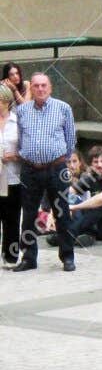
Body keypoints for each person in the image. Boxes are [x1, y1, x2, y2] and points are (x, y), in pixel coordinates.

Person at [11, 72, 76, 273]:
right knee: (29, 214)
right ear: (31, 88)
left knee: (62, 212)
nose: (40, 89)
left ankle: (67, 256)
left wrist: (60, 162)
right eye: (36, 86)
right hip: (30, 169)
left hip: (56, 167)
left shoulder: (63, 108)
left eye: (44, 85)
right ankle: (29, 257)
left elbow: (70, 139)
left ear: (50, 88)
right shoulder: (22, 111)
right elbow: (20, 139)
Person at [59, 145, 102, 246]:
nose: (99, 165)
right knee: (73, 200)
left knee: (98, 204)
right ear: (91, 165)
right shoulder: (90, 178)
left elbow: (101, 199)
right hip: (96, 224)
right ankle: (88, 236)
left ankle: (69, 234)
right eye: (95, 162)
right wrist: (55, 210)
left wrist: (74, 207)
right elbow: (68, 193)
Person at [0, 90, 19, 267]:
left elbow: (27, 147)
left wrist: (15, 155)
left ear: (7, 101)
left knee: (12, 218)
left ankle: (10, 256)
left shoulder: (17, 122)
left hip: (13, 176)